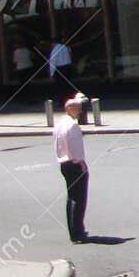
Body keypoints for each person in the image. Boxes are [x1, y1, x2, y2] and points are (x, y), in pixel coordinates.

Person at [54, 94, 91, 245]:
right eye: (78, 108)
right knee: (80, 199)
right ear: (69, 109)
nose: (80, 111)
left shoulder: (60, 124)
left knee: (71, 198)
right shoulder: (73, 126)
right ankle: (78, 231)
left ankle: (73, 231)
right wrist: (81, 162)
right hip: (74, 164)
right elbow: (76, 148)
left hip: (64, 163)